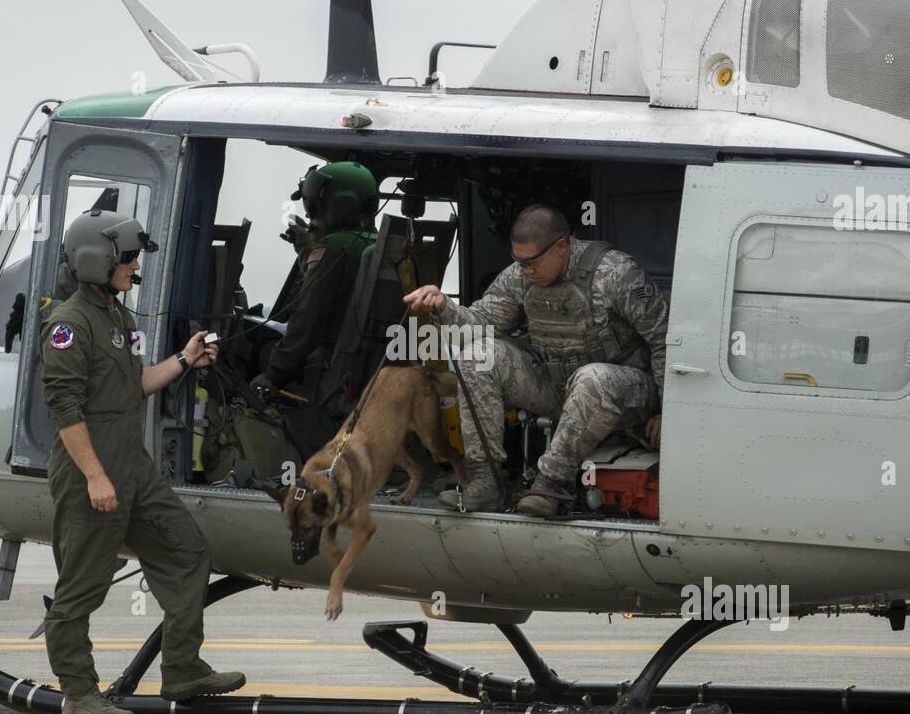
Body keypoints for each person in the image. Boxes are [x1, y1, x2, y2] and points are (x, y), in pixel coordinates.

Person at [40, 209, 245, 714]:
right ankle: (79, 696)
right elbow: (65, 409)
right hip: (91, 468)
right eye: (128, 259)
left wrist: (185, 360)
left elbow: (134, 385)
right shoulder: (68, 324)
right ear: (98, 260)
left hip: (132, 465)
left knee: (187, 551)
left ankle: (182, 669)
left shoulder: (119, 318)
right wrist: (95, 477)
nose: (135, 267)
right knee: (81, 588)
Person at [403, 204, 667, 516]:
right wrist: (443, 306)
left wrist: (667, 410)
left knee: (592, 378)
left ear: (561, 246)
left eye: (532, 262)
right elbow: (480, 323)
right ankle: (486, 482)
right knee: (476, 356)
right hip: (557, 384)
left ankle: (550, 485)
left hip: (627, 392)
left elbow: (664, 338)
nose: (526, 270)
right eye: (519, 262)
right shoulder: (520, 276)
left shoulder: (615, 273)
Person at [251, 160, 379, 399]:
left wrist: (273, 376)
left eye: (315, 206)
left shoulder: (333, 248)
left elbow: (308, 319)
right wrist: (306, 249)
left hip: (332, 368)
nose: (311, 215)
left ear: (336, 205)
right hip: (370, 368)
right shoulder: (380, 246)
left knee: (260, 350)